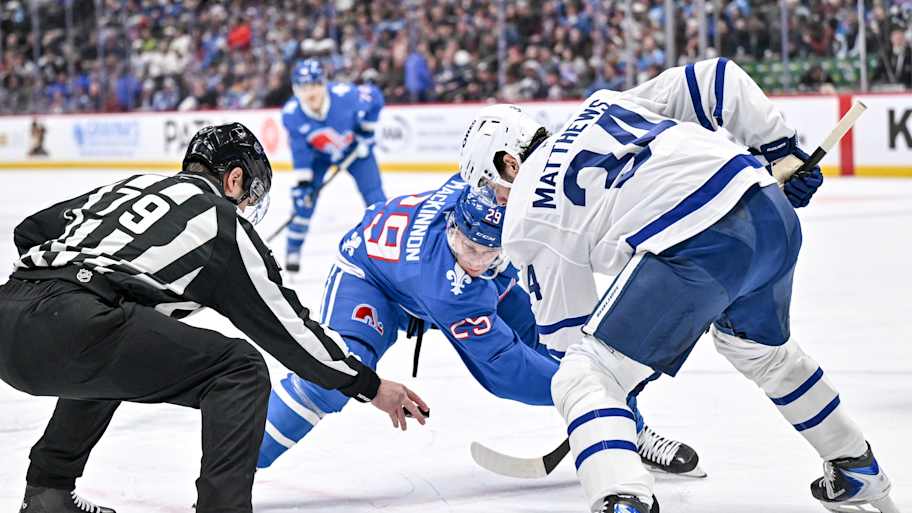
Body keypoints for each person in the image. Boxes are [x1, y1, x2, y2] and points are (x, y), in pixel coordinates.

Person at [458, 58, 897, 513]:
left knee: (583, 377)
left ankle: (622, 500)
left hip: (697, 244)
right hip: (768, 209)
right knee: (757, 350)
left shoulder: (526, 216)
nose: (498, 200)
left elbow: (569, 342)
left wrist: (601, 411)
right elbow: (718, 79)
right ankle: (854, 466)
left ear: (509, 163)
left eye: (492, 187)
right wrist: (779, 149)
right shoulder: (602, 105)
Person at [0, 122, 427, 513]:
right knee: (240, 368)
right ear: (234, 178)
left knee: (111, 344)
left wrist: (86, 288)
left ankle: (48, 494)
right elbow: (291, 333)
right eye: (250, 193)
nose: (248, 205)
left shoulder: (133, 185)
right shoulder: (224, 224)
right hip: (75, 326)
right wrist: (370, 386)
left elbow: (31, 232)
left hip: (10, 312)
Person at [258, 177, 703, 479]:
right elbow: (507, 373)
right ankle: (242, 457)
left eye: (485, 251)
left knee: (556, 341)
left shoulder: (470, 196)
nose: (469, 260)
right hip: (370, 278)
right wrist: (586, 392)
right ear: (453, 226)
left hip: (424, 274)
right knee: (335, 377)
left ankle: (628, 426)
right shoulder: (453, 289)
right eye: (464, 245)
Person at [282, 59, 387, 272]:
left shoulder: (345, 95)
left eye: (314, 86)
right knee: (303, 202)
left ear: (324, 84)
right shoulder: (292, 113)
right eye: (303, 88)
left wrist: (366, 132)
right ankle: (293, 249)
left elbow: (375, 97)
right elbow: (300, 151)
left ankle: (388, 243)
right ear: (295, 89)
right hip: (319, 157)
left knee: (375, 196)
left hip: (354, 151)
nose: (310, 93)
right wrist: (303, 184)